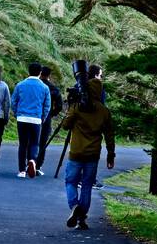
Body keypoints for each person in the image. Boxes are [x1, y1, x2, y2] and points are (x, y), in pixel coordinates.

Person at [51, 76, 115, 229]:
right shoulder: (104, 111)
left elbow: (66, 125)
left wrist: (71, 108)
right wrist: (111, 154)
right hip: (93, 154)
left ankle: (74, 206)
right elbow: (109, 135)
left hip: (76, 152)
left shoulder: (78, 106)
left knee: (71, 182)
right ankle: (82, 219)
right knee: (86, 185)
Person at [10, 62, 50, 178]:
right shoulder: (44, 87)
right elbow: (47, 106)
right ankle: (32, 160)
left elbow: (14, 101)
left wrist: (17, 113)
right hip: (36, 119)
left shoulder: (20, 85)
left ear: (29, 71)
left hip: (22, 118)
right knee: (34, 143)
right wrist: (43, 118)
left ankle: (22, 170)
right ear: (40, 72)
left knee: (23, 144)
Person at [35, 65, 64, 175]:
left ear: (40, 73)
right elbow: (60, 105)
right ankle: (38, 165)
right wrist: (52, 113)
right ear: (49, 76)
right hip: (46, 117)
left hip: (34, 115)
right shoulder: (53, 88)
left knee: (32, 141)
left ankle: (30, 161)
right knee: (43, 142)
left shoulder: (36, 86)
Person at [87, 64, 107, 187]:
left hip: (79, 125)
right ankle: (90, 180)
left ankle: (77, 178)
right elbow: (102, 106)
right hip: (94, 126)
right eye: (100, 75)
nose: (101, 78)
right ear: (95, 75)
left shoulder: (81, 86)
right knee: (93, 154)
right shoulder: (100, 89)